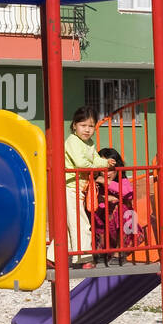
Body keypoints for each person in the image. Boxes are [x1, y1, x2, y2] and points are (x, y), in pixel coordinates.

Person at [54, 106, 109, 268]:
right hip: (70, 187)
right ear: (74, 126)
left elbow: (96, 159)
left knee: (71, 223)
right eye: (83, 125)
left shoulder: (89, 143)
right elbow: (80, 163)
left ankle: (51, 256)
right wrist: (97, 166)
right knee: (81, 223)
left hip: (80, 188)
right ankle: (84, 258)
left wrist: (105, 163)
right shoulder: (72, 141)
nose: (87, 130)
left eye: (91, 126)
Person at [87, 147, 144, 263]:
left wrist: (106, 183)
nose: (106, 173)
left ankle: (119, 252)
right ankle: (102, 251)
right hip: (106, 231)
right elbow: (89, 199)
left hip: (127, 232)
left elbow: (128, 193)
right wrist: (103, 199)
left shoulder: (121, 181)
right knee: (95, 211)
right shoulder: (94, 183)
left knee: (121, 207)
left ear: (118, 169)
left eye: (111, 169)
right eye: (102, 169)